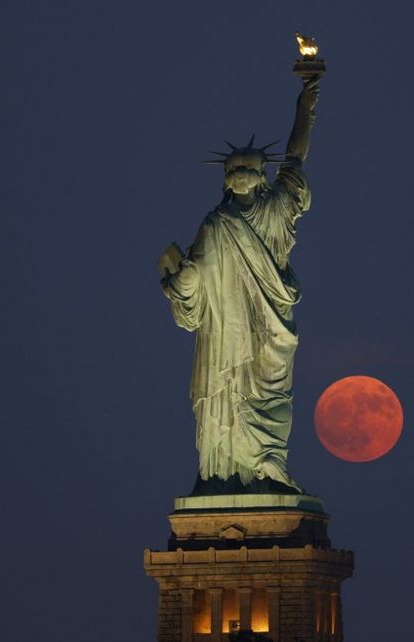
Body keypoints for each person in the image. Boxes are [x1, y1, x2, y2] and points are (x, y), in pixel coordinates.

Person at [158, 78, 320, 492]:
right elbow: (196, 285)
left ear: (261, 174)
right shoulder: (214, 225)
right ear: (226, 179)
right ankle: (223, 473)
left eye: (248, 168)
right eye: (234, 170)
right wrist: (181, 281)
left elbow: (296, 159)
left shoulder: (277, 209)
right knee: (227, 395)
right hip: (225, 339)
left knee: (273, 400)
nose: (240, 174)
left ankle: (267, 464)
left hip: (269, 330)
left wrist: (305, 105)